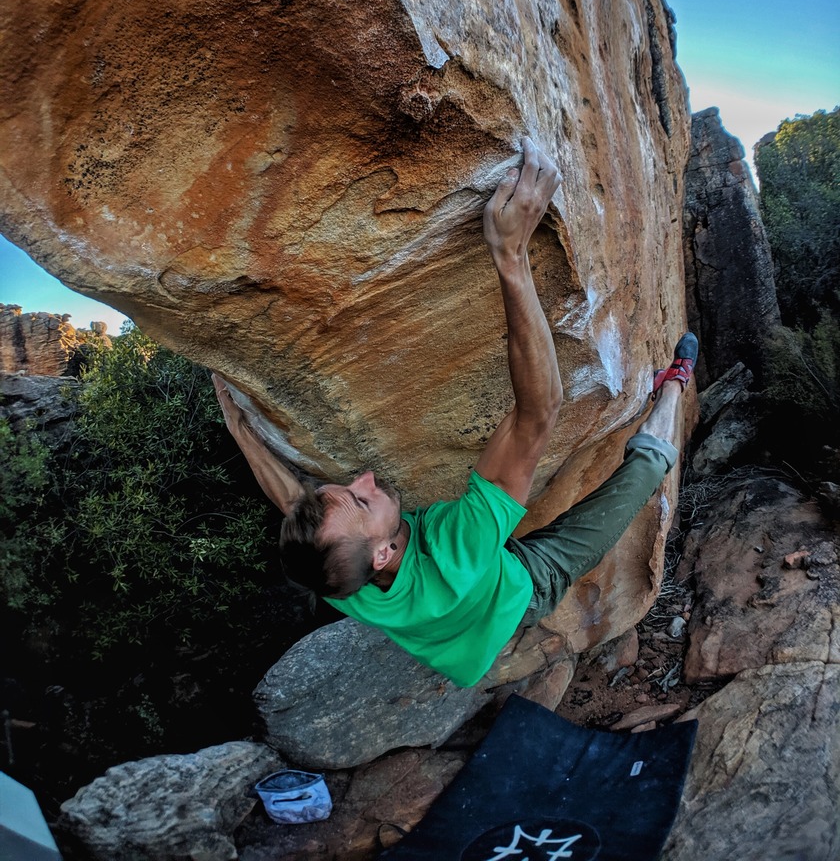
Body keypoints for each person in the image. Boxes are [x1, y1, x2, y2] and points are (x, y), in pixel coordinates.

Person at [213, 139, 697, 687]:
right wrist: (510, 254)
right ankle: (672, 397)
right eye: (360, 498)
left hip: (467, 622)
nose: (365, 479)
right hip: (522, 589)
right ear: (384, 554)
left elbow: (290, 501)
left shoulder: (340, 580)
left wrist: (240, 426)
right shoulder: (453, 552)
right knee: (628, 490)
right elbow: (538, 414)